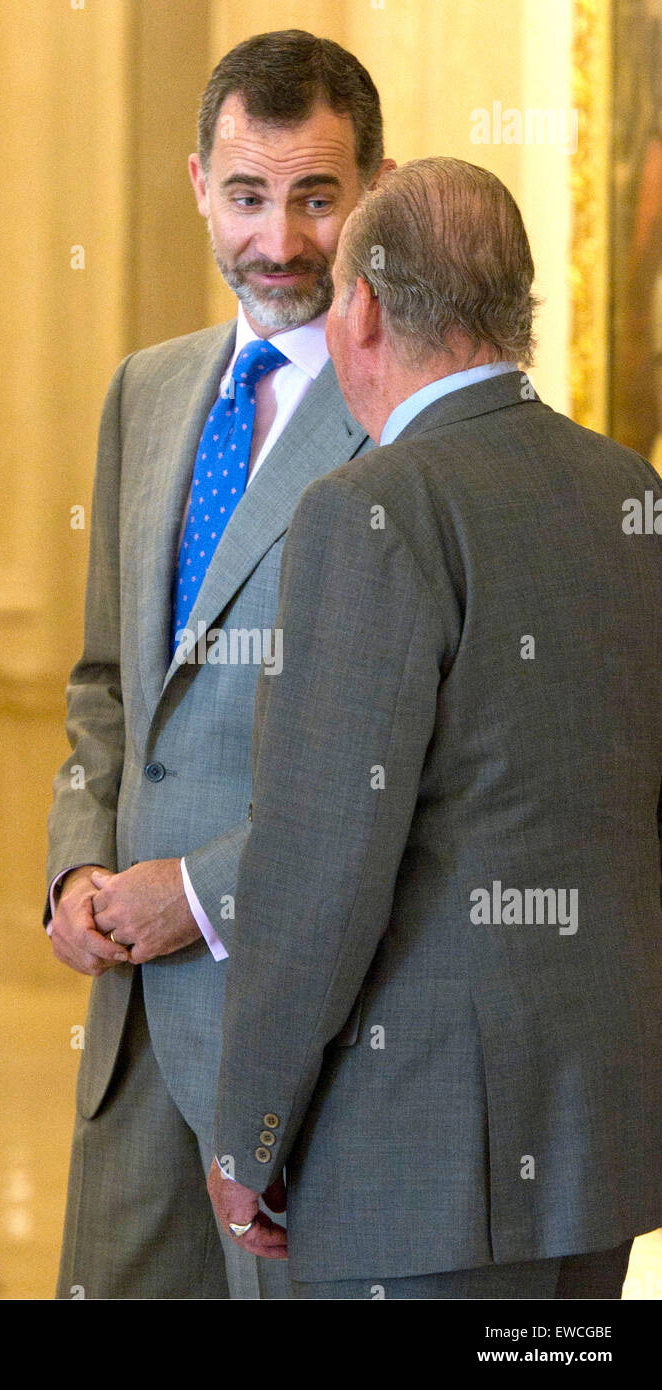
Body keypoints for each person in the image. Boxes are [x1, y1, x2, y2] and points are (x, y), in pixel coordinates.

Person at [208, 156, 662, 1300]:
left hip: (413, 1167)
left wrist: (249, 1134)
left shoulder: (368, 508)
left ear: (361, 307)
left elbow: (317, 866)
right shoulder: (630, 493)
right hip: (598, 1147)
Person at [45, 29, 395, 1300]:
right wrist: (75, 865)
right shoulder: (145, 392)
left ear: (376, 191)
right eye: (247, 195)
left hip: (302, 1047)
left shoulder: (403, 422)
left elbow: (401, 763)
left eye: (317, 198)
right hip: (131, 1035)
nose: (278, 241)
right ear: (199, 185)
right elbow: (105, 682)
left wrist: (193, 893)